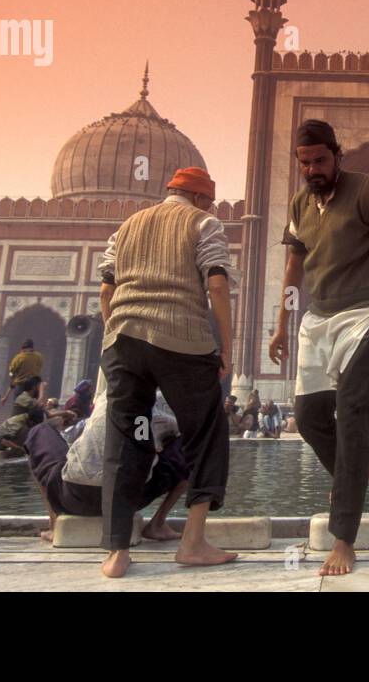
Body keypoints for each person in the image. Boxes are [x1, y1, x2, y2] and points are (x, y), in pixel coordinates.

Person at [270, 119, 369, 576]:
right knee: (308, 416)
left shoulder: (367, 190)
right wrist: (281, 324)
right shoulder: (301, 204)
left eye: (320, 159)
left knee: (354, 415)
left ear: (338, 155)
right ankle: (356, 471)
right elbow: (292, 270)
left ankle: (345, 539)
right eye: (305, 162)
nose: (313, 168)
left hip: (368, 316)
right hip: (319, 320)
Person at [97, 165, 236, 578]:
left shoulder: (128, 225)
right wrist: (225, 345)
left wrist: (115, 330)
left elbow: (107, 288)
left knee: (126, 440)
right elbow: (216, 284)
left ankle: (118, 552)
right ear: (201, 198)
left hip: (124, 341)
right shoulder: (203, 222)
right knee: (206, 435)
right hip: (182, 343)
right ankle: (193, 543)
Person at [27, 374, 188, 544]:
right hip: (132, 498)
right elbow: (163, 435)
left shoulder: (107, 395)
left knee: (38, 432)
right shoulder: (160, 405)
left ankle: (54, 525)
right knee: (190, 445)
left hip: (73, 495)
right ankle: (157, 523)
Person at [2, 340, 44, 404]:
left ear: (23, 348)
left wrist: (12, 376)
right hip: (35, 385)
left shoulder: (19, 357)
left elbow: (11, 371)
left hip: (21, 385)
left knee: (18, 405)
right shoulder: (39, 356)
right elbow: (40, 367)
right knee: (34, 405)